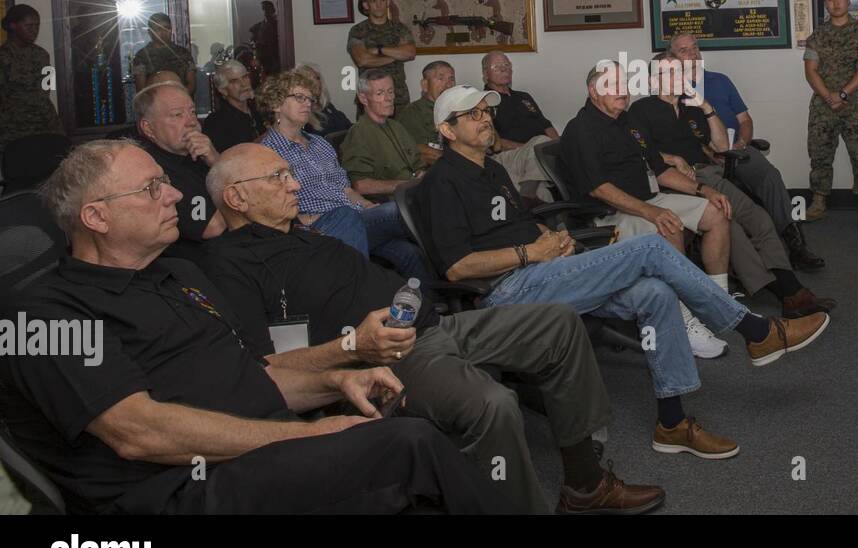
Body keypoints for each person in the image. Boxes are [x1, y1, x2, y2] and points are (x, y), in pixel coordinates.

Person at [0, 139, 511, 514]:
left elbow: (254, 373)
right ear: (96, 217)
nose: (175, 195)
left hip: (256, 455)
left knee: (416, 479)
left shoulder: (178, 275)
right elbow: (139, 432)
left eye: (166, 181)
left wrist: (335, 381)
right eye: (152, 187)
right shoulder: (43, 315)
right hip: (180, 490)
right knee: (410, 447)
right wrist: (308, 435)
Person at [201, 143, 664, 514]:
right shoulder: (228, 265)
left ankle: (585, 486)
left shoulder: (305, 234)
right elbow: (265, 367)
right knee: (493, 403)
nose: (295, 183)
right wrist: (353, 346)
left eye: (289, 173)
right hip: (389, 355)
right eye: (277, 176)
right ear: (237, 197)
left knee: (557, 322)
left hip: (435, 323)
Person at [421, 85, 830, 460]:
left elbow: (522, 224)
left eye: (485, 112)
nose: (485, 119)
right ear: (447, 130)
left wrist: (553, 238)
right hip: (507, 290)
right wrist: (530, 252)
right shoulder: (440, 183)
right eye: (473, 115)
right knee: (651, 247)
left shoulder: (493, 170)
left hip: (545, 269)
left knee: (656, 293)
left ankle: (672, 422)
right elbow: (457, 267)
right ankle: (755, 331)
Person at [628, 55, 835, 319]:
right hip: (676, 181)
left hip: (709, 174)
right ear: (653, 81)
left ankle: (789, 286)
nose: (677, 77)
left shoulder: (691, 108)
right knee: (730, 226)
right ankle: (784, 292)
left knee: (759, 218)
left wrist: (706, 106)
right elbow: (638, 151)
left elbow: (721, 146)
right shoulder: (641, 109)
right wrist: (672, 158)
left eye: (679, 71)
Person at [561, 62, 735, 358]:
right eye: (612, 85)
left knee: (715, 212)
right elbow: (599, 188)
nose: (622, 91)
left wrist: (704, 190)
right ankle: (682, 322)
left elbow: (659, 169)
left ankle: (718, 301)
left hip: (648, 200)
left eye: (624, 84)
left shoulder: (627, 121)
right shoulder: (581, 129)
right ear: (593, 91)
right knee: (669, 225)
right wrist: (651, 213)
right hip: (610, 215)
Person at [256, 69, 428, 287]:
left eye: (310, 98)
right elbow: (272, 208)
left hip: (353, 216)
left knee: (409, 253)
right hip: (317, 226)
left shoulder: (320, 144)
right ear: (276, 103)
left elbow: (346, 189)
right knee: (400, 209)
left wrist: (368, 205)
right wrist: (304, 220)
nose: (307, 104)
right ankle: (359, 297)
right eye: (299, 97)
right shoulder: (267, 152)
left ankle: (430, 304)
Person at [668, 32, 824, 269]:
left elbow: (745, 120)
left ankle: (796, 245)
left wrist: (742, 143)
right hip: (703, 160)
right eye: (684, 50)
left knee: (769, 176)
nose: (693, 54)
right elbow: (675, 136)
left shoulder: (720, 81)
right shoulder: (671, 90)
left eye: (695, 47)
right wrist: (711, 153)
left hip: (738, 151)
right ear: (672, 59)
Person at [803, 0, 858, 224]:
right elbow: (810, 71)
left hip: (855, 106)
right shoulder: (817, 36)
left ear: (848, 1)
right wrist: (829, 96)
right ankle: (818, 202)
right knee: (820, 155)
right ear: (825, 5)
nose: (835, 3)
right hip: (823, 107)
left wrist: (843, 95)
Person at [133, 81, 224, 260]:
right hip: (196, 264)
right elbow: (213, 227)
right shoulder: (152, 169)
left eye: (193, 112)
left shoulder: (201, 153)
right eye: (177, 115)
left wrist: (216, 161)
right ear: (148, 128)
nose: (192, 122)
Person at [480, 51, 559, 199]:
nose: (504, 69)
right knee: (540, 144)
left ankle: (530, 199)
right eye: (497, 66)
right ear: (485, 74)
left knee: (544, 194)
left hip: (537, 157)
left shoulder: (524, 97)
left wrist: (558, 146)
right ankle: (528, 196)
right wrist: (528, 149)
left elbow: (546, 125)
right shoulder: (483, 101)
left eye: (507, 65)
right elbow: (490, 139)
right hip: (509, 156)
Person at [339, 70, 427, 196]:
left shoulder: (397, 126)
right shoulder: (360, 133)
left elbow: (418, 164)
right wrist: (409, 184)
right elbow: (360, 185)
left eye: (390, 92)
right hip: (393, 200)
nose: (389, 98)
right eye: (380, 93)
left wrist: (421, 174)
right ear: (363, 99)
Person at [0, 4, 63, 154]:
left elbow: (48, 88)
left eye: (37, 26)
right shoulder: (3, 57)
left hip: (45, 125)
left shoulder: (42, 55)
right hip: (13, 130)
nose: (34, 30)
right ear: (13, 26)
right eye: (29, 26)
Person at [347, 0, 416, 112]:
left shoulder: (399, 28)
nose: (379, 5)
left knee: (401, 125)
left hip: (398, 97)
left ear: (387, 2)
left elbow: (410, 53)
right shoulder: (358, 31)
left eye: (382, 0)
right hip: (370, 97)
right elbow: (362, 60)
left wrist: (379, 50)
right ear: (366, 5)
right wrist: (395, 56)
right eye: (373, 1)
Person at [397, 60, 456, 164]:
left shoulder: (459, 109)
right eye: (441, 78)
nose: (448, 85)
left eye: (451, 79)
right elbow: (421, 150)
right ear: (425, 85)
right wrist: (458, 160)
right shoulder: (412, 113)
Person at [202, 59, 262, 152]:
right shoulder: (216, 123)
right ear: (223, 90)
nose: (243, 84)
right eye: (234, 81)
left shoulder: (260, 112)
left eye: (245, 77)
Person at [131, 13, 196, 95]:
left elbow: (191, 84)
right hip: (154, 101)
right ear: (150, 32)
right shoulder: (142, 56)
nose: (164, 32)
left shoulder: (183, 53)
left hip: (181, 99)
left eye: (167, 28)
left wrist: (178, 98)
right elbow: (141, 90)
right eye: (159, 29)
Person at [298, 62, 352, 136]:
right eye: (309, 79)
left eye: (317, 78)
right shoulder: (301, 112)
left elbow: (349, 127)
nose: (315, 82)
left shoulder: (328, 107)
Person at [250, 0, 280, 75]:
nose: (265, 11)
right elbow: (253, 38)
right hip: (262, 57)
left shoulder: (278, 24)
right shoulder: (259, 26)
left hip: (274, 57)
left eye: (267, 9)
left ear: (273, 10)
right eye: (264, 9)